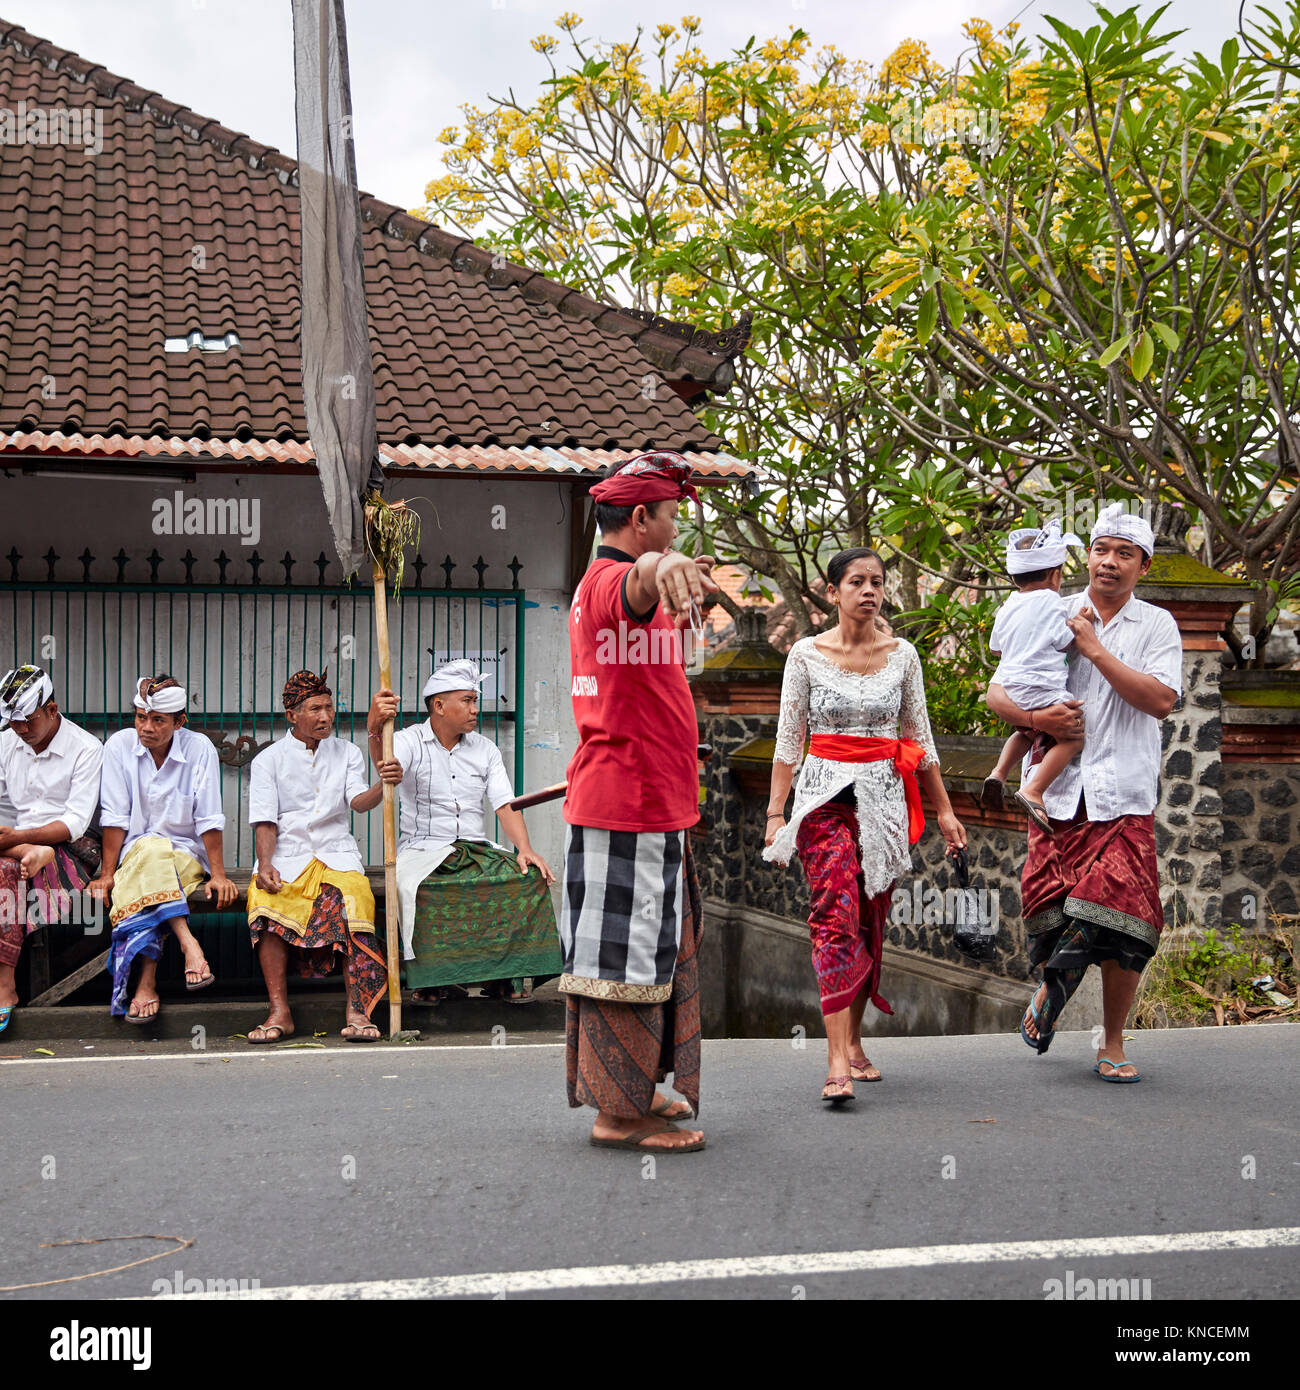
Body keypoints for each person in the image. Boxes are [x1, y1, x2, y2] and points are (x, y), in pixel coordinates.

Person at [986, 502, 1182, 1083]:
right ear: (1086, 557)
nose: (1109, 562)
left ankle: (1111, 1039)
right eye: (1101, 550)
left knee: (1127, 917)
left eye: (1125, 554)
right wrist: (1034, 716)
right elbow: (997, 692)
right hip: (1056, 794)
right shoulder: (1051, 607)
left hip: (1123, 793)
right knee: (1053, 909)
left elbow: (1161, 700)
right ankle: (1056, 979)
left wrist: (1094, 648)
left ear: (1143, 566)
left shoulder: (1157, 625)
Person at [764, 548, 967, 1103]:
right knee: (835, 912)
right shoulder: (805, 655)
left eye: (877, 581)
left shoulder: (904, 656)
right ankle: (836, 1061)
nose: (870, 590)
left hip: (883, 804)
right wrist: (776, 814)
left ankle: (853, 1040)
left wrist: (945, 810)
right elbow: (788, 742)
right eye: (857, 581)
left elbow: (920, 739)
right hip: (822, 801)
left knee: (869, 921)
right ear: (833, 592)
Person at [561, 451, 714, 1153]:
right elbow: (640, 579)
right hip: (628, 804)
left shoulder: (623, 593)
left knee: (650, 958)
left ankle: (634, 1088)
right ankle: (618, 1117)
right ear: (643, 517)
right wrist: (660, 566)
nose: (676, 529)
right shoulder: (607, 583)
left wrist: (677, 577)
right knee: (624, 965)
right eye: (672, 517)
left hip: (648, 805)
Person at [365, 659, 560, 1008]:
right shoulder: (408, 740)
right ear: (439, 705)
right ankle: (433, 980)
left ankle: (505, 977)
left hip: (475, 849)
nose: (474, 710)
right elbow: (386, 762)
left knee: (527, 878)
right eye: (467, 701)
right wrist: (375, 729)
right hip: (423, 851)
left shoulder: (485, 749)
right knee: (423, 890)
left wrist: (525, 848)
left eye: (475, 701)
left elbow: (505, 805)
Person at [245, 670, 400, 1044]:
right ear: (291, 715)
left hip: (336, 855)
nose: (325, 716)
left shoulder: (346, 752)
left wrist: (384, 783)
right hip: (286, 857)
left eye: (329, 708)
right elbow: (265, 821)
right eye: (315, 709)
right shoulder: (268, 760)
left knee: (354, 900)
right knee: (264, 901)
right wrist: (265, 865)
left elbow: (358, 803)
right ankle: (279, 1011)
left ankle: (358, 1011)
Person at [89, 675, 237, 1021]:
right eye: (141, 717)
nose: (146, 727)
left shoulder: (198, 748)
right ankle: (187, 944)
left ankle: (146, 984)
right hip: (133, 856)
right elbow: (114, 817)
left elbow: (209, 817)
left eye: (158, 720)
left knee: (154, 861)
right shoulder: (119, 746)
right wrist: (107, 874)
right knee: (151, 851)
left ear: (179, 722)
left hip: (185, 855)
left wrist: (218, 875)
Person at [0, 666, 103, 1035]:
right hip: (14, 841)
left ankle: (5, 986)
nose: (20, 729)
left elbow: (74, 822)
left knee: (5, 874)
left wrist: (16, 839)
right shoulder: (6, 742)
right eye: (13, 723)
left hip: (71, 848)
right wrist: (17, 840)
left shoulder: (86, 748)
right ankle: (27, 850)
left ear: (52, 709)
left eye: (27, 721)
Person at [980, 521, 1087, 831]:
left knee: (1027, 732)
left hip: (1010, 686)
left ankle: (999, 773)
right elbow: (1063, 641)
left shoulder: (1008, 605)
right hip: (1041, 685)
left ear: (1015, 577)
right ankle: (1034, 789)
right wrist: (1080, 623)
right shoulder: (1052, 602)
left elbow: (996, 648)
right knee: (1072, 738)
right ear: (1055, 575)